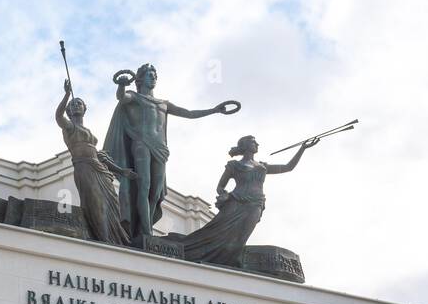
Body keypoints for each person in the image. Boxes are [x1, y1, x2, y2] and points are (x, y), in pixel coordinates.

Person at [102, 63, 239, 240]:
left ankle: (147, 223)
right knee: (144, 186)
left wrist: (214, 110)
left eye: (155, 75)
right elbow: (122, 97)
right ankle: (145, 232)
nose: (153, 77)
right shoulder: (134, 97)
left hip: (161, 149)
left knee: (156, 192)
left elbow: (189, 113)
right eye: (149, 74)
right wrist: (121, 84)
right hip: (142, 143)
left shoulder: (163, 104)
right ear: (140, 79)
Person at [168, 134, 318, 268]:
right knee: (218, 232)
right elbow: (220, 186)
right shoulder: (234, 165)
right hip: (236, 202)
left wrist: (302, 149)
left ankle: (229, 260)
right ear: (245, 146)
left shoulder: (263, 167)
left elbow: (288, 167)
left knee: (242, 236)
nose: (257, 144)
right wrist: (224, 194)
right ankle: (211, 258)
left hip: (256, 204)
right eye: (253, 142)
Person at [55, 80, 134, 246]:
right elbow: (58, 116)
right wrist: (67, 94)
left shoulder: (89, 132)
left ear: (85, 108)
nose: (76, 105)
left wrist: (121, 170)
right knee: (95, 204)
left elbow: (99, 156)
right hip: (84, 168)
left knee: (111, 205)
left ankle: (115, 239)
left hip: (99, 170)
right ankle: (103, 240)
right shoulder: (69, 128)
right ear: (69, 111)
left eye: (79, 103)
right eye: (73, 105)